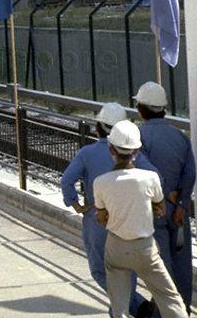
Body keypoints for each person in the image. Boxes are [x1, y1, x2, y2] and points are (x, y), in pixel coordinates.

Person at [61, 103, 158, 317]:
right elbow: (155, 176)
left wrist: (75, 203)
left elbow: (67, 180)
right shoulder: (134, 156)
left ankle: (134, 307)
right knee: (126, 272)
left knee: (99, 271)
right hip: (127, 223)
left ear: (98, 127)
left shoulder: (87, 153)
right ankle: (135, 306)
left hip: (96, 221)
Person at [94, 120, 188, 318]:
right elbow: (160, 208)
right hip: (145, 249)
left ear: (111, 149)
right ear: (137, 151)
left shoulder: (100, 183)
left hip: (116, 248)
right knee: (169, 297)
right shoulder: (150, 177)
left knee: (119, 304)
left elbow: (102, 218)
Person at [133, 82, 195, 312]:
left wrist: (166, 195)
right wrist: (181, 202)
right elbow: (190, 172)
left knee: (161, 265)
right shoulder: (179, 136)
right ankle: (184, 307)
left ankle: (165, 312)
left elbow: (147, 171)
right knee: (181, 263)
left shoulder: (138, 136)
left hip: (154, 210)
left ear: (141, 108)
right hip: (179, 212)